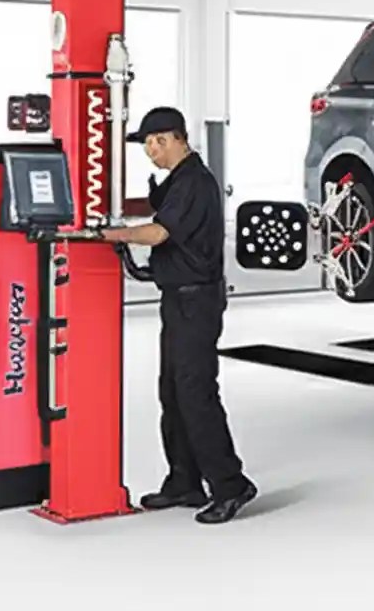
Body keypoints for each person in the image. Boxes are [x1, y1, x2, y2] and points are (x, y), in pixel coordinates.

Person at [97, 106, 257, 525]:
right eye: (147, 143)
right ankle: (184, 480)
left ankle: (230, 485)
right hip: (177, 299)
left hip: (196, 303)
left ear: (176, 139)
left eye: (156, 142)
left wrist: (108, 234)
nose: (151, 150)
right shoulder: (177, 183)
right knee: (172, 391)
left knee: (195, 392)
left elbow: (158, 232)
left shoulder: (194, 183)